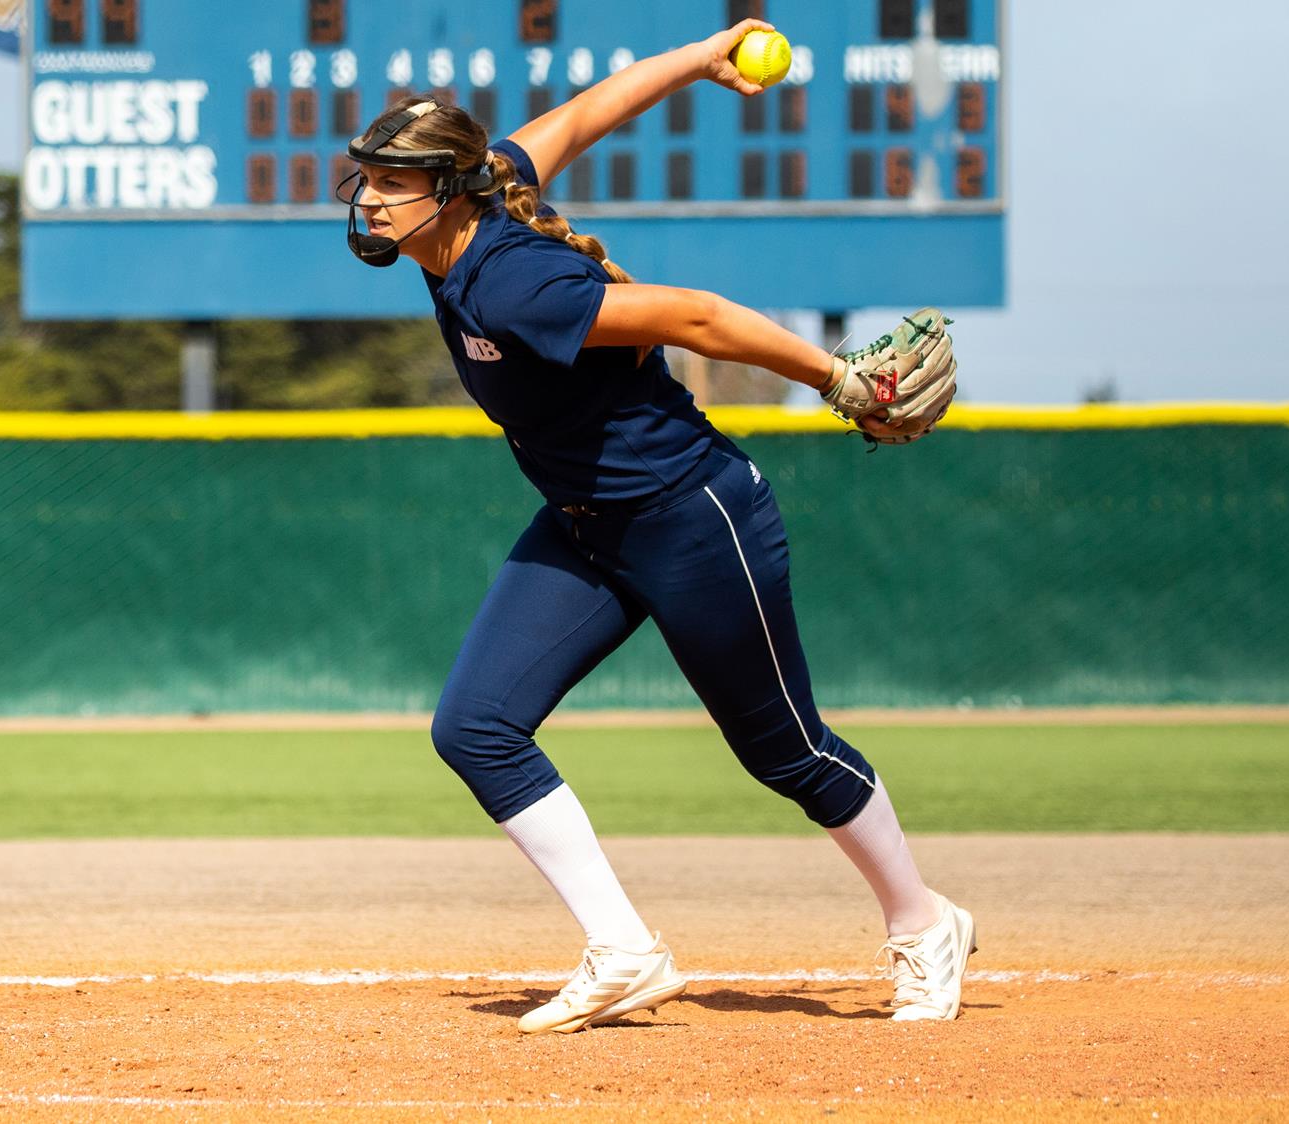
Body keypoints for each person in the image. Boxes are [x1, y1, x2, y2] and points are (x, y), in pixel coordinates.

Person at [335, 19, 974, 1032]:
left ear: (447, 194)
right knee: (475, 726)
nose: (367, 195)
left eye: (389, 181)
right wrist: (704, 54)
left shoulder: (513, 277)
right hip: (584, 525)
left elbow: (699, 318)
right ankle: (623, 948)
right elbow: (591, 110)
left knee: (784, 750)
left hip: (691, 515)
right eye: (364, 176)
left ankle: (923, 921)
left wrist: (838, 378)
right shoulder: (480, 195)